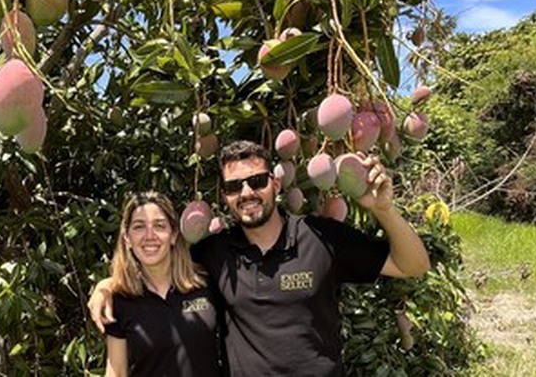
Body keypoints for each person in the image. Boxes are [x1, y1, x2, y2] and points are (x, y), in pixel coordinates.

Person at [90, 140, 431, 376]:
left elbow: (413, 265)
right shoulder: (214, 253)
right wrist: (108, 285)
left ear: (275, 184)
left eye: (256, 181)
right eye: (235, 187)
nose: (247, 193)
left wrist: (384, 211)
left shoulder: (322, 237)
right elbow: (160, 263)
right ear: (225, 197)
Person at [102, 190, 223, 377]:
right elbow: (116, 372)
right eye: (139, 227)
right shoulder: (119, 300)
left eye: (159, 226)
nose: (149, 236)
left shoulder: (205, 282)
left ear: (173, 235)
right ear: (127, 238)